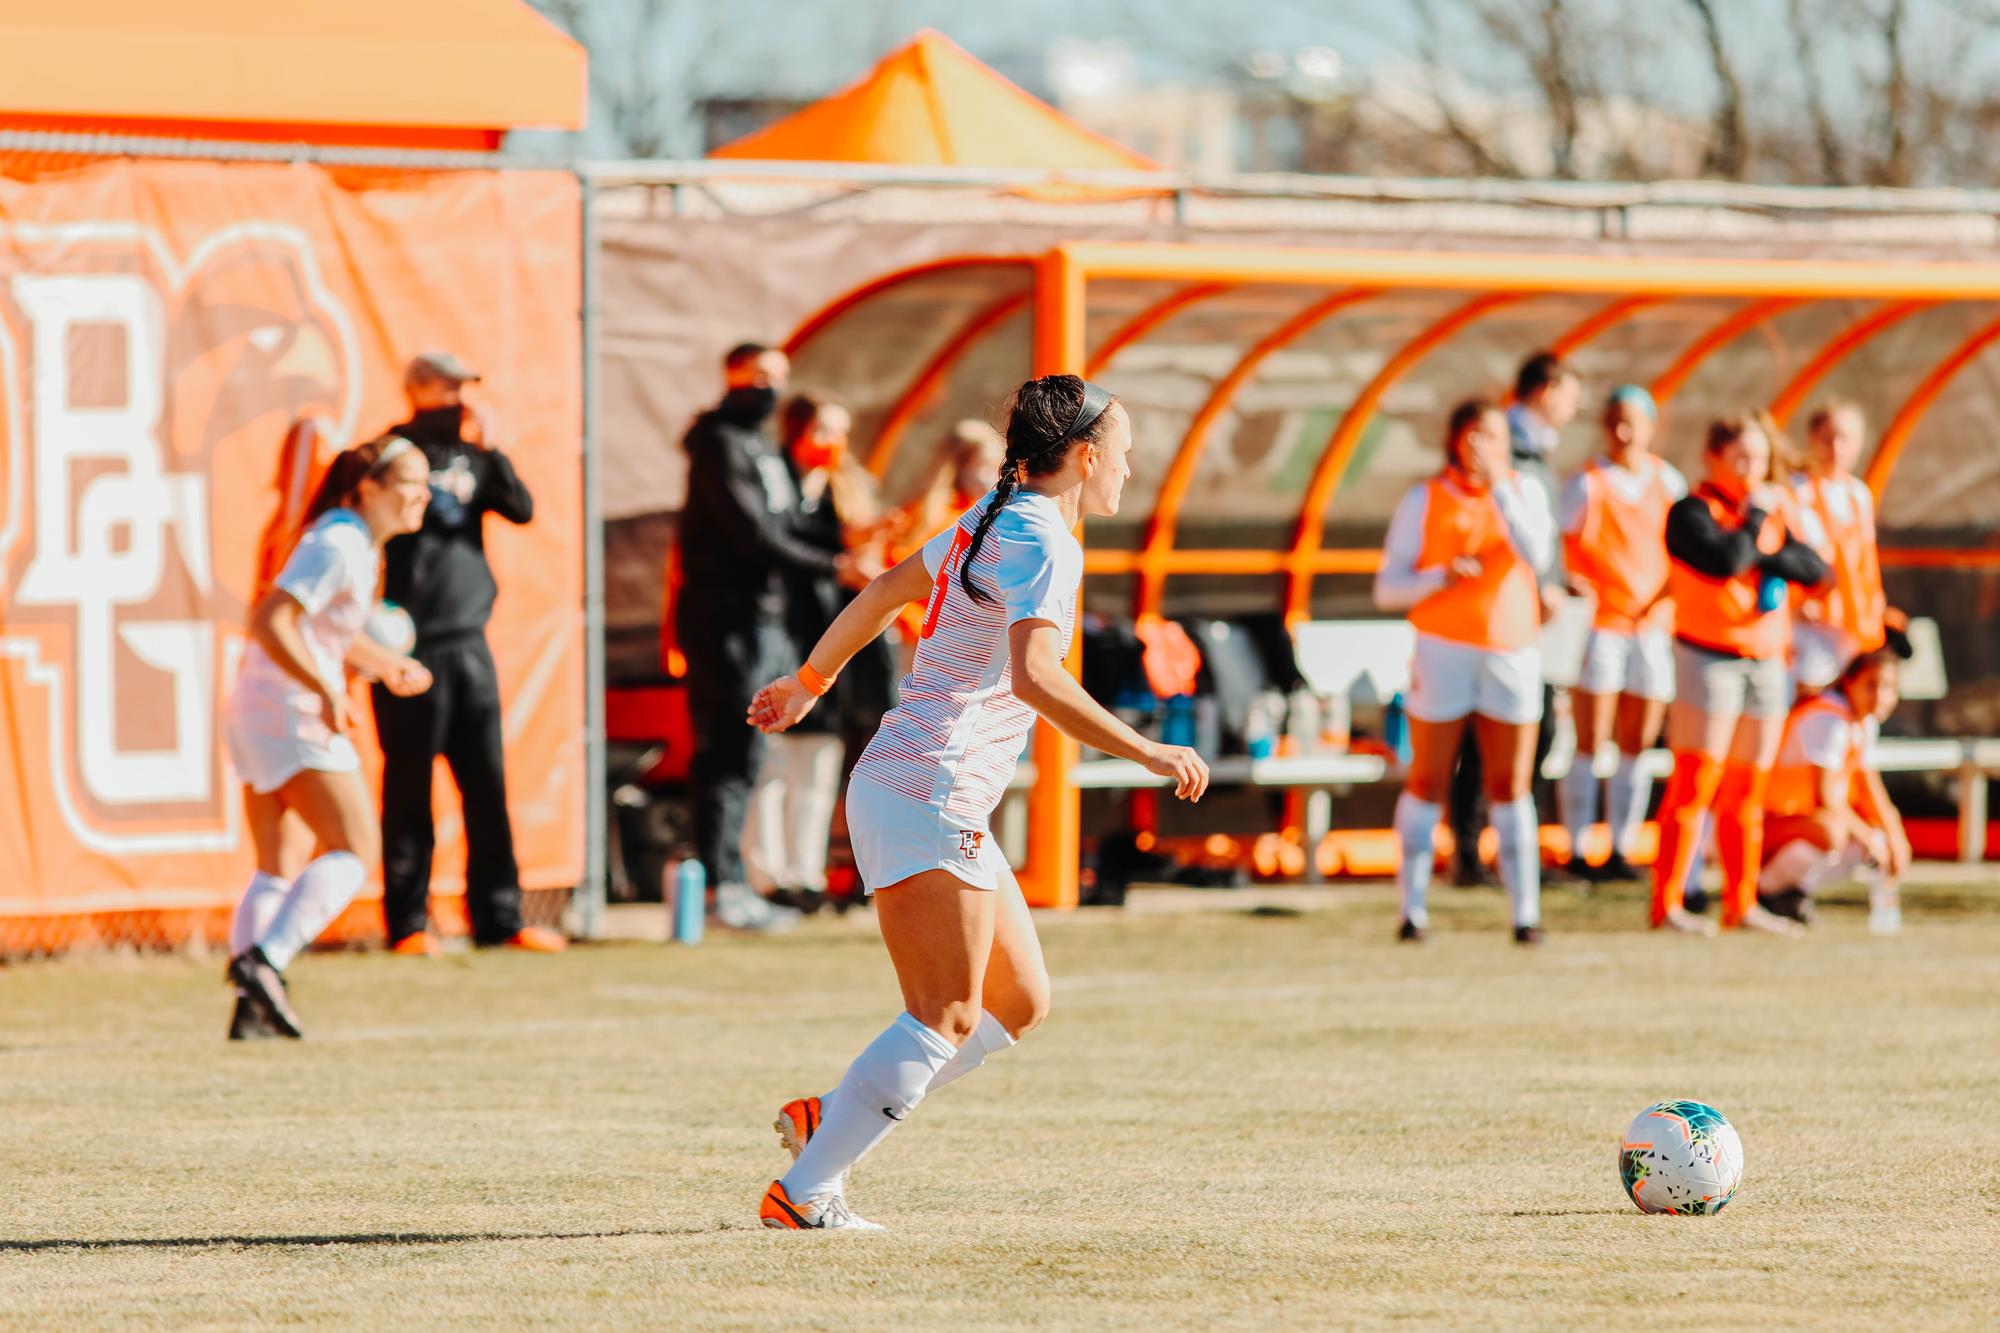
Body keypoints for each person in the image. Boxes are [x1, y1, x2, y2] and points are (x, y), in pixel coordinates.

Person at [745, 375, 1208, 1230]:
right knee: (946, 1013)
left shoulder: (997, 514)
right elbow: (1037, 678)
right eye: (1128, 454)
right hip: (929, 788)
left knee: (1018, 1001)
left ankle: (830, 1114)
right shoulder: (1042, 538)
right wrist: (1146, 747)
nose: (1131, 471)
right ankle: (803, 1194)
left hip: (922, 787)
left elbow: (887, 589)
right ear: (1088, 455)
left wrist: (811, 682)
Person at [224, 437, 436, 1039]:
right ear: (368, 487)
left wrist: (382, 664)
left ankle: (250, 1008)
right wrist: (325, 687)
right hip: (288, 711)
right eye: (409, 482)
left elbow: (322, 634)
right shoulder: (340, 541)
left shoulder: (351, 542)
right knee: (354, 850)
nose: (421, 494)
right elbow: (271, 620)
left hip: (257, 709)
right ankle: (263, 965)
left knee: (276, 866)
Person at [371, 353, 561, 956]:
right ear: (423, 391)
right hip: (406, 644)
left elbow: (521, 509)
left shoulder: (474, 454)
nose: (461, 400)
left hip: (469, 642)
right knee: (408, 789)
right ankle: (408, 924)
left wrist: (494, 446)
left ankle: (499, 919)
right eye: (451, 388)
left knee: (485, 785)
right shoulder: (388, 455)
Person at [679, 343, 860, 931]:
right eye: (759, 377)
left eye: (778, 378)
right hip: (727, 617)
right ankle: (722, 888)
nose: (770, 388)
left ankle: (738, 885)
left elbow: (783, 524)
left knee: (754, 751)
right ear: (731, 376)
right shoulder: (719, 442)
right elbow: (751, 533)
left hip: (767, 618)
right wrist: (832, 565)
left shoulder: (759, 447)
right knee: (730, 752)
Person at [1374, 399, 1554, 946]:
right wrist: (1439, 577)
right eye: (1476, 436)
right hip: (1443, 649)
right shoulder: (1424, 497)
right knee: (1428, 780)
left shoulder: (1523, 489)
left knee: (1511, 785)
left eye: (1496, 437)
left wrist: (1500, 484)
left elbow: (1537, 555)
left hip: (1510, 651)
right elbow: (1388, 587)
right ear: (1455, 440)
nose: (1485, 448)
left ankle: (1526, 915)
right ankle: (1414, 913)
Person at [1650, 416, 1829, 936]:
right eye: (1742, 459)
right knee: (1695, 783)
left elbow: (1812, 568)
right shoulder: (1691, 511)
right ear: (1715, 459)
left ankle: (1741, 901)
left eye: (1759, 459)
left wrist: (1761, 551)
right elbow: (1724, 560)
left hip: (1766, 661)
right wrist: (1754, 530)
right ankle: (1668, 903)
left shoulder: (1769, 516)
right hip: (1708, 659)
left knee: (1747, 790)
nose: (1753, 471)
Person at [740, 394, 888, 912]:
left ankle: (805, 874)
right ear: (798, 431)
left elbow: (859, 551)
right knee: (775, 757)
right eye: (825, 430)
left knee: (820, 761)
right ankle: (766, 873)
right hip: (780, 632)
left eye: (840, 432)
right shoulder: (771, 480)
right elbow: (773, 545)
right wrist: (835, 564)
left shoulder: (843, 488)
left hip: (828, 636)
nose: (834, 444)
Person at [1449, 352, 1578, 887]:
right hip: (1500, 616)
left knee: (1535, 732)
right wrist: (1544, 582)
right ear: (1547, 390)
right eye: (1570, 392)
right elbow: (1512, 531)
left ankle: (1510, 855)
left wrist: (1557, 581)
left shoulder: (1533, 453)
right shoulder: (1515, 452)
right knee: (1493, 739)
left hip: (1525, 613)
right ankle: (1475, 853)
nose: (1575, 406)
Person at [1556, 385, 1686, 883]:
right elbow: (1563, 548)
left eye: (1633, 421)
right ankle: (1575, 845)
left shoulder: (1666, 481)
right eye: (1614, 420)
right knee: (1591, 739)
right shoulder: (1587, 484)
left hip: (1650, 626)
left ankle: (1621, 845)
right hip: (1601, 626)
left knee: (1637, 741)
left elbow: (1680, 550)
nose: (1624, 432)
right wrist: (1575, 583)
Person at [1758, 649, 1908, 923]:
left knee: (1874, 840)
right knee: (1832, 832)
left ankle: (1792, 893)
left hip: (1792, 822)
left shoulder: (1863, 723)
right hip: (1764, 822)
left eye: (1888, 687)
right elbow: (1825, 798)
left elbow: (1869, 787)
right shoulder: (1828, 721)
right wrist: (1868, 837)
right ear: (1849, 683)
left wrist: (1894, 833)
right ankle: (1764, 889)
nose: (1880, 697)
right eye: (1871, 685)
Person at [1787, 400, 1893, 692]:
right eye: (1827, 438)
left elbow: (1865, 558)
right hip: (1808, 622)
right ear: (1812, 439)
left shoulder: (1858, 495)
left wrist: (1875, 603)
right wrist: (1795, 603)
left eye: (1845, 439)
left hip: (1849, 622)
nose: (1835, 448)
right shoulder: (1795, 490)